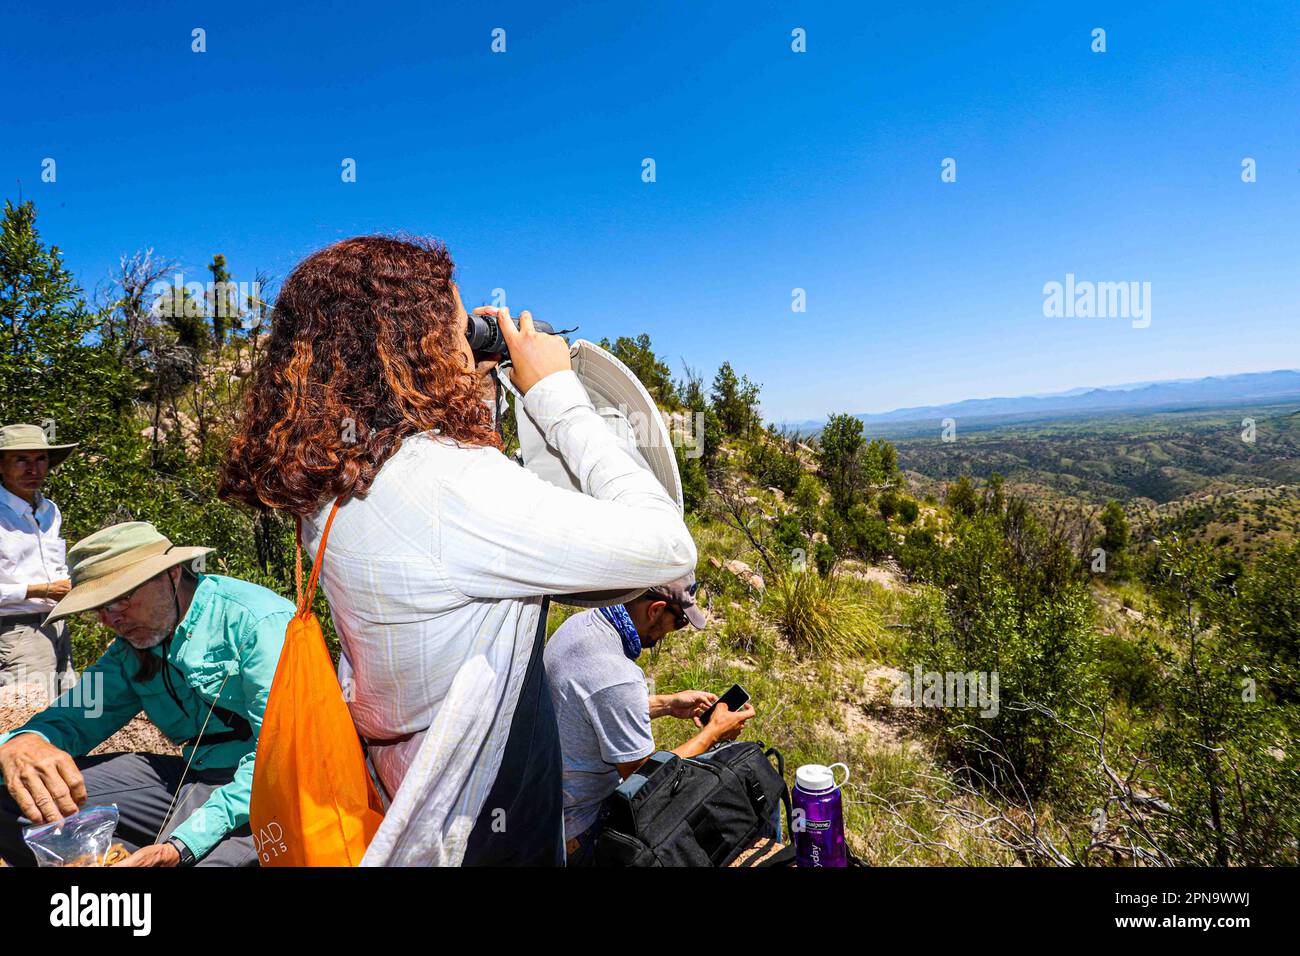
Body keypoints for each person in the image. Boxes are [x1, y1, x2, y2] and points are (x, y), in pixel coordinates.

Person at [219, 235, 697, 866]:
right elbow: (668, 549)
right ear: (414, 343)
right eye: (456, 324)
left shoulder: (340, 476)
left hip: (404, 776)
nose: (466, 339)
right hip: (481, 809)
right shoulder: (448, 489)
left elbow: (471, 534)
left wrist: (478, 399)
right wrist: (556, 392)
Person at [0, 522, 293, 866]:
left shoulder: (257, 622)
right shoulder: (131, 650)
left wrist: (180, 845)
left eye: (122, 599)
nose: (111, 619)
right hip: (192, 776)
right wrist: (21, 742)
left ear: (171, 573)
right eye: (99, 608)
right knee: (15, 795)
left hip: (268, 787)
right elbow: (73, 716)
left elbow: (278, 761)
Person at [544, 572, 756, 865]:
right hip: (582, 832)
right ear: (655, 609)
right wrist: (714, 734)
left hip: (547, 806)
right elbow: (651, 785)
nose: (673, 631)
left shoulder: (581, 625)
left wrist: (666, 704)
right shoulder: (617, 677)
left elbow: (593, 708)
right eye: (679, 621)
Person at [0, 423, 77, 691]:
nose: (33, 469)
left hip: (57, 624)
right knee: (27, 716)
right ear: (1, 466)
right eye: (21, 460)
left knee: (67, 709)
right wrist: (41, 590)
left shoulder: (50, 511)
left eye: (40, 459)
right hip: (15, 631)